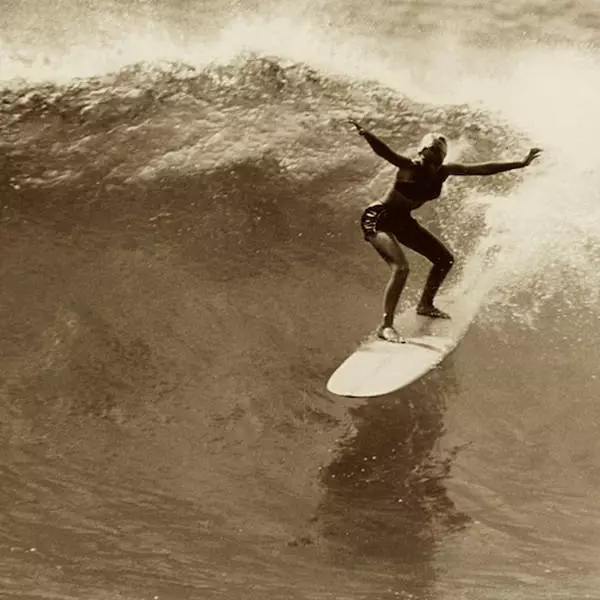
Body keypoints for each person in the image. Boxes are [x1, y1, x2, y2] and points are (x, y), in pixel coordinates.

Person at [350, 119, 542, 343]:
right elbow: (385, 152)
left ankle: (425, 304)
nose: (427, 156)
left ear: (440, 155)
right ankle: (386, 326)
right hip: (379, 218)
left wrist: (520, 163)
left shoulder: (444, 172)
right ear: (422, 150)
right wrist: (367, 134)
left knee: (444, 260)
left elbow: (482, 169)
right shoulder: (410, 167)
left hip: (402, 220)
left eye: (434, 152)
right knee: (401, 268)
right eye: (427, 151)